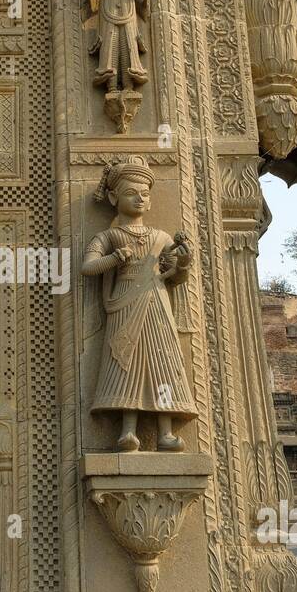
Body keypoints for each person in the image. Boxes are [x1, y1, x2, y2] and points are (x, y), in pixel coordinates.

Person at [82, 155, 196, 451]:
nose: (139, 199)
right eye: (131, 193)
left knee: (163, 361)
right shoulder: (109, 236)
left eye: (144, 194)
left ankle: (165, 432)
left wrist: (184, 261)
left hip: (157, 304)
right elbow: (88, 267)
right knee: (126, 362)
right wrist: (114, 258)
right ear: (112, 196)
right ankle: (127, 430)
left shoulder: (161, 237)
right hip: (125, 304)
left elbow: (175, 276)